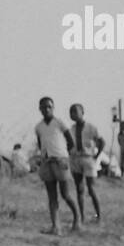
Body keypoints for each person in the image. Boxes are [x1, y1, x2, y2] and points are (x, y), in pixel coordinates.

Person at [34, 96, 79, 234]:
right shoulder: (39, 127)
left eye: (49, 106)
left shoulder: (59, 122)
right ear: (40, 109)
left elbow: (71, 142)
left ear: (53, 108)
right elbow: (41, 145)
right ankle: (56, 226)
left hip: (61, 161)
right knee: (52, 197)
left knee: (66, 194)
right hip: (47, 162)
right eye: (44, 107)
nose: (46, 109)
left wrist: (66, 157)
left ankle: (77, 220)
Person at [68, 103, 106, 224]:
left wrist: (96, 155)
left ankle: (98, 216)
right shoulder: (71, 129)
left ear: (82, 112)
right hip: (75, 159)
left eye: (75, 111)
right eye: (71, 112)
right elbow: (69, 144)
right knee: (79, 189)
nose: (73, 114)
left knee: (91, 188)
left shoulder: (91, 128)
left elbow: (101, 141)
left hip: (88, 158)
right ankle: (82, 217)